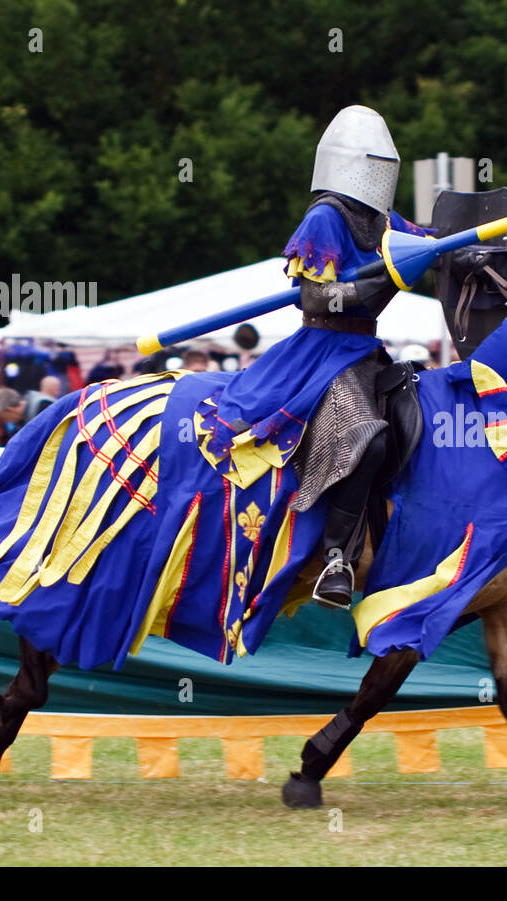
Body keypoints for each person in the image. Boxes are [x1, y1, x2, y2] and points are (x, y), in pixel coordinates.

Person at [196, 105, 435, 609]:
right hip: (323, 350)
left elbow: (428, 241)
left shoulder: (384, 221)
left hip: (366, 350)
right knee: (363, 439)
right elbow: (312, 298)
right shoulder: (324, 216)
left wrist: (466, 243)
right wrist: (376, 282)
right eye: (369, 162)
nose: (376, 173)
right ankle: (336, 559)